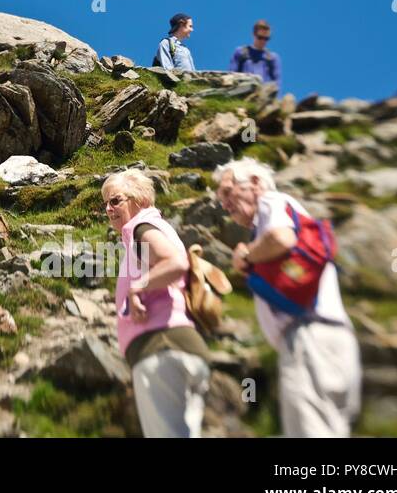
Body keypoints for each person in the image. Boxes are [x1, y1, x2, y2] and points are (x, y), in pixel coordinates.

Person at [215, 158, 361, 437]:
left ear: (255, 183)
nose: (223, 203)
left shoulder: (271, 202)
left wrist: (245, 256)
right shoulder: (288, 208)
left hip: (307, 337)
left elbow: (281, 239)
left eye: (227, 191)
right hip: (333, 337)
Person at [103, 168, 211, 437]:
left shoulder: (140, 229)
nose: (108, 208)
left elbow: (176, 263)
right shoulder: (156, 229)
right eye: (105, 203)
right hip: (182, 347)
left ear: (139, 198)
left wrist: (137, 287)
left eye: (115, 200)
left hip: (160, 349)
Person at [229, 19, 281, 87]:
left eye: (266, 38)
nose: (263, 41)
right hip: (242, 92)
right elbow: (231, 75)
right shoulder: (240, 52)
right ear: (253, 35)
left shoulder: (272, 58)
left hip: (263, 94)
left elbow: (276, 84)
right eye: (260, 37)